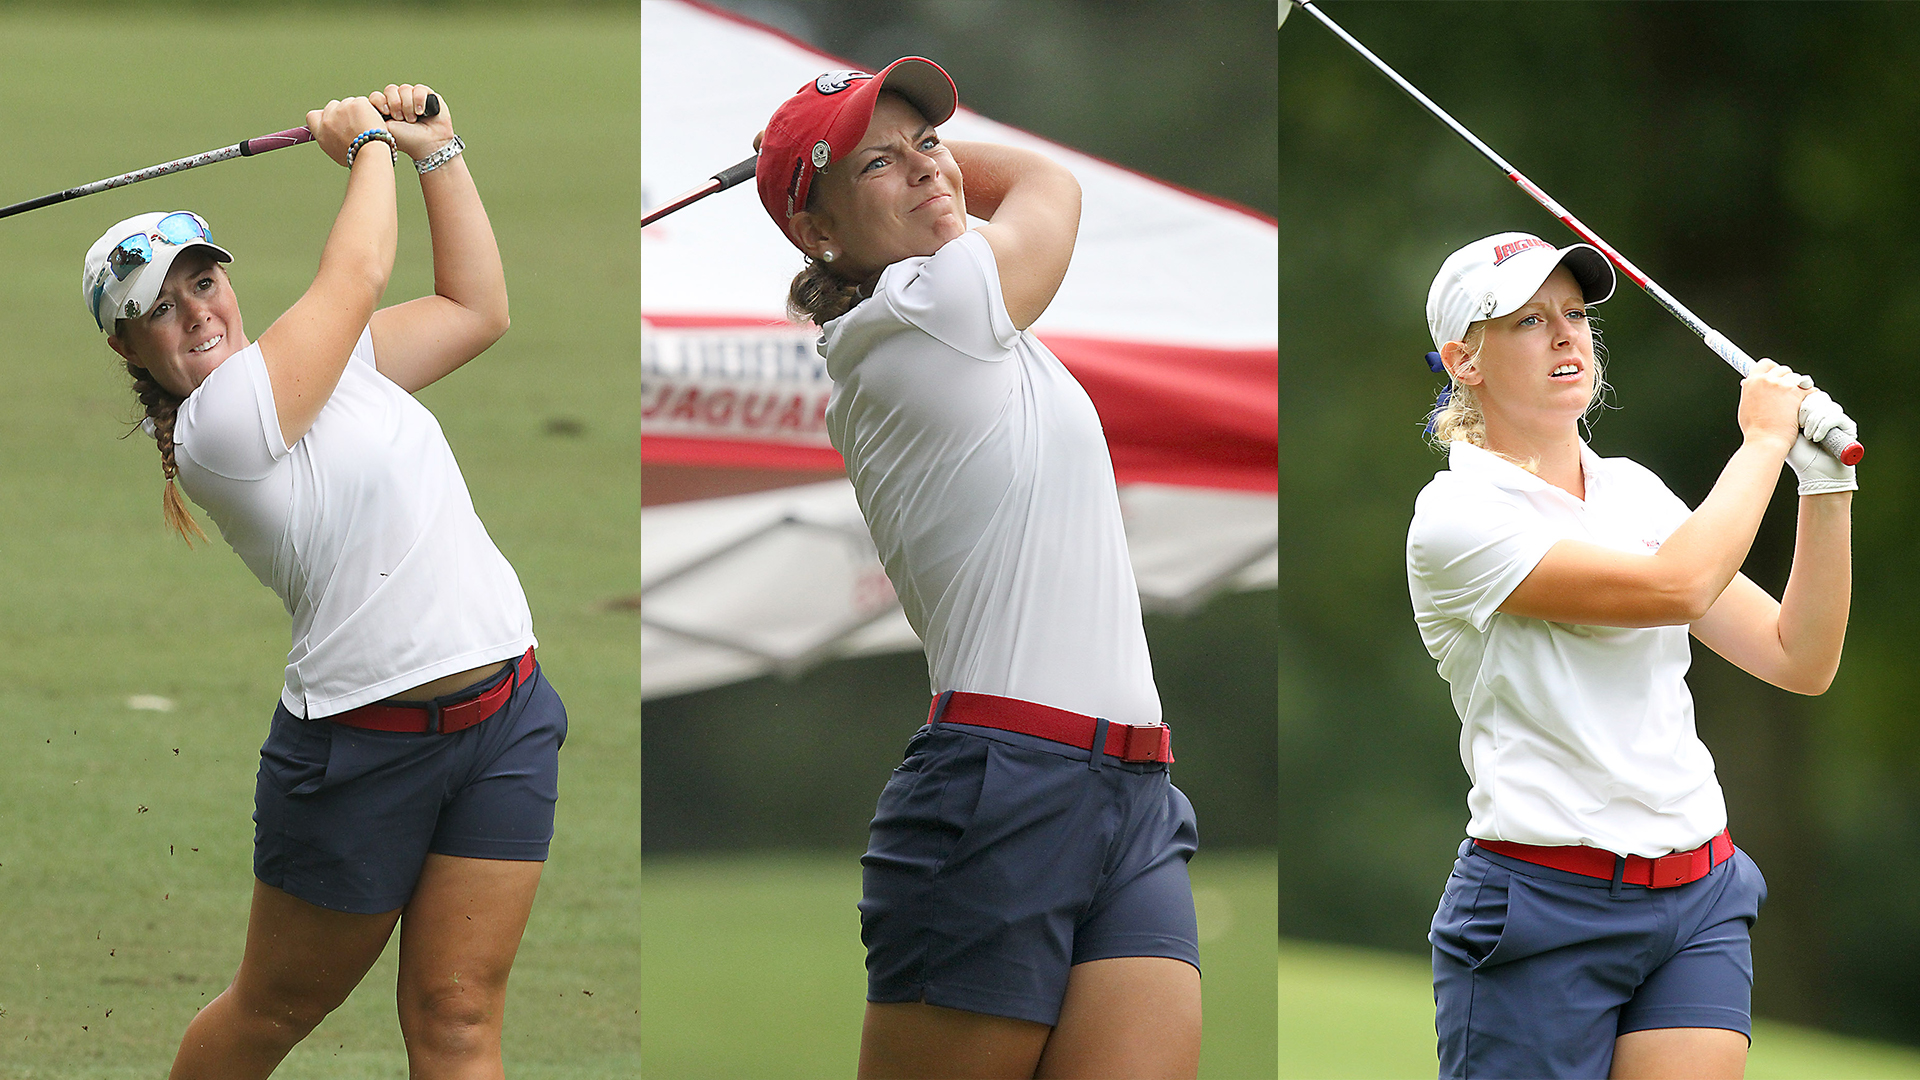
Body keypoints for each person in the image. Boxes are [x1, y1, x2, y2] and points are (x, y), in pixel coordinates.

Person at [84, 86, 564, 1078]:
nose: (196, 313)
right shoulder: (221, 428)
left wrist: (438, 152)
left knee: (459, 1017)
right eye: (159, 310)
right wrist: (368, 146)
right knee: (271, 1013)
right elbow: (358, 269)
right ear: (128, 347)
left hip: (505, 716)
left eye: (202, 282)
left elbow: (476, 310)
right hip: (361, 752)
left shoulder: (331, 363)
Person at [748, 60, 1202, 1079]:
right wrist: (868, 162)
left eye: (930, 145)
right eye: (881, 166)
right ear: (818, 232)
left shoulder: (960, 313)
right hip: (1002, 787)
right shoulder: (930, 308)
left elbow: (977, 187)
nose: (926, 171)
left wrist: (864, 159)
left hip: (1136, 787)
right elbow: (1049, 182)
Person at [1407, 232, 1856, 1079]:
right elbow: (1675, 589)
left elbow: (1799, 657)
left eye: (1575, 314)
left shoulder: (1634, 491)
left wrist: (1824, 486)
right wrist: (1763, 444)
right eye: (1528, 320)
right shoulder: (1457, 516)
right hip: (1540, 905)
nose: (1566, 334)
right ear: (1464, 359)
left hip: (1699, 893)